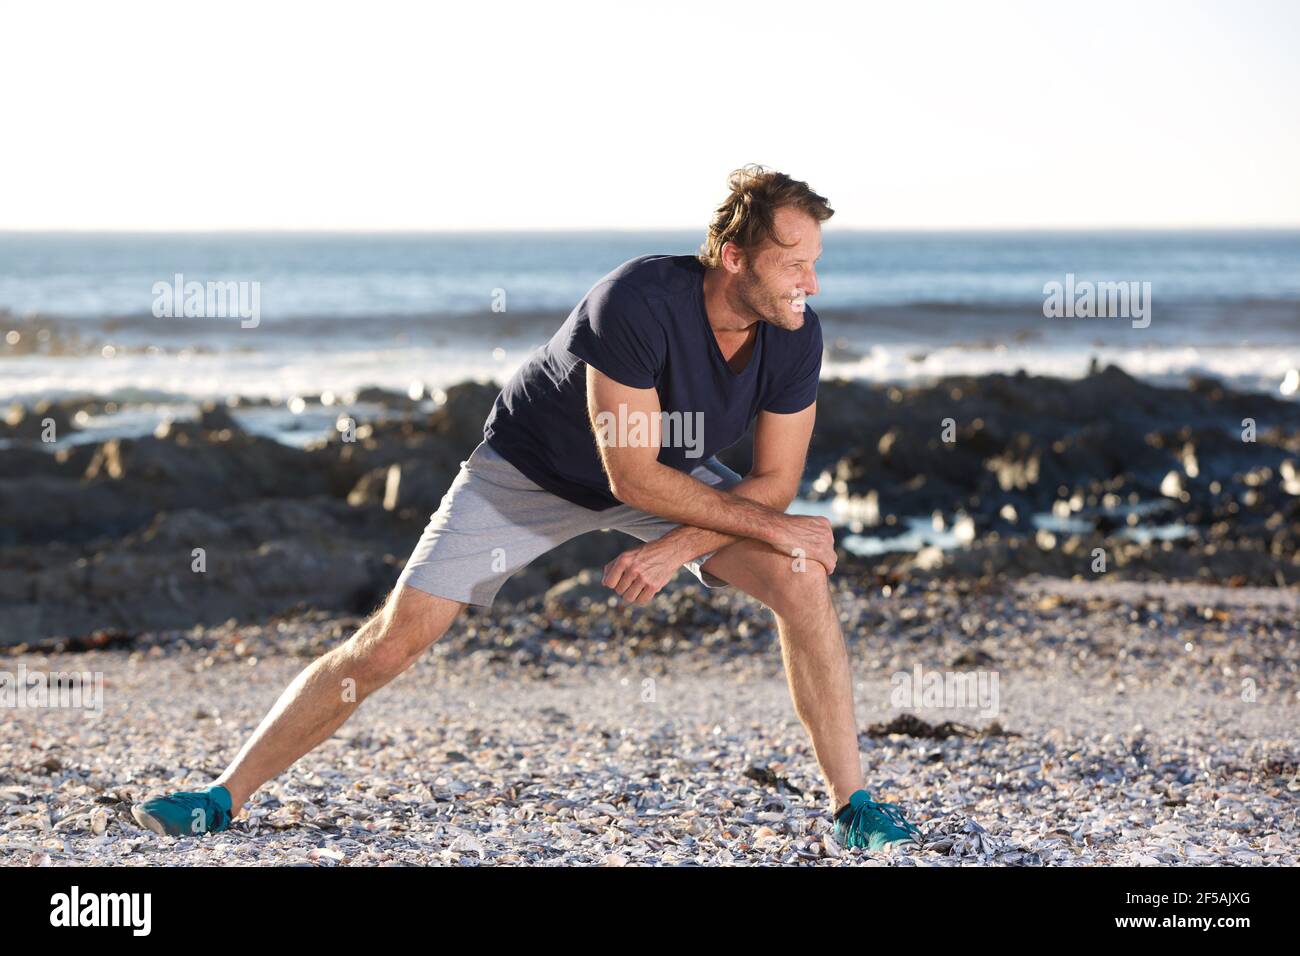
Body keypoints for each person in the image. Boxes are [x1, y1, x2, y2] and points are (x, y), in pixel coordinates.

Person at [133, 165, 922, 852]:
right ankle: (221, 796)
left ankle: (853, 806)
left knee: (801, 572)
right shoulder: (638, 301)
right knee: (389, 644)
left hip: (671, 477)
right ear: (734, 256)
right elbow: (630, 477)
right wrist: (702, 528)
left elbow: (775, 483)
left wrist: (677, 549)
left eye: (813, 264)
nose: (808, 283)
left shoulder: (793, 333)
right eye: (793, 263)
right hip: (530, 472)